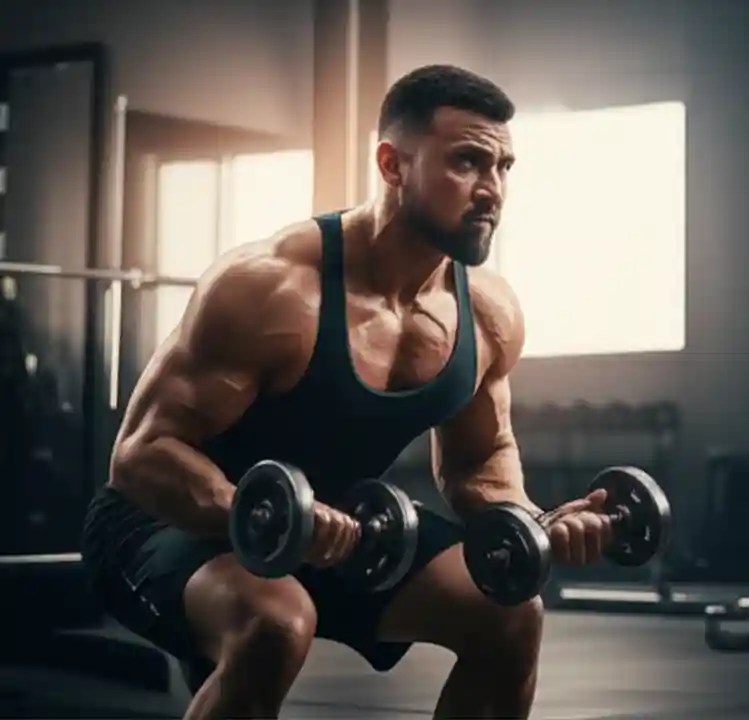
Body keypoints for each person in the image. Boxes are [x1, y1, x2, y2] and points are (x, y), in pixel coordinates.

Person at [79, 64, 616, 719]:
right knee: (275, 624)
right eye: (469, 162)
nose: (492, 190)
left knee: (509, 611)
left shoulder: (487, 314)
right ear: (392, 164)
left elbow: (479, 462)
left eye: (504, 168)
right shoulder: (272, 288)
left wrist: (534, 524)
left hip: (337, 527)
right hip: (161, 522)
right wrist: (270, 521)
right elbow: (141, 454)